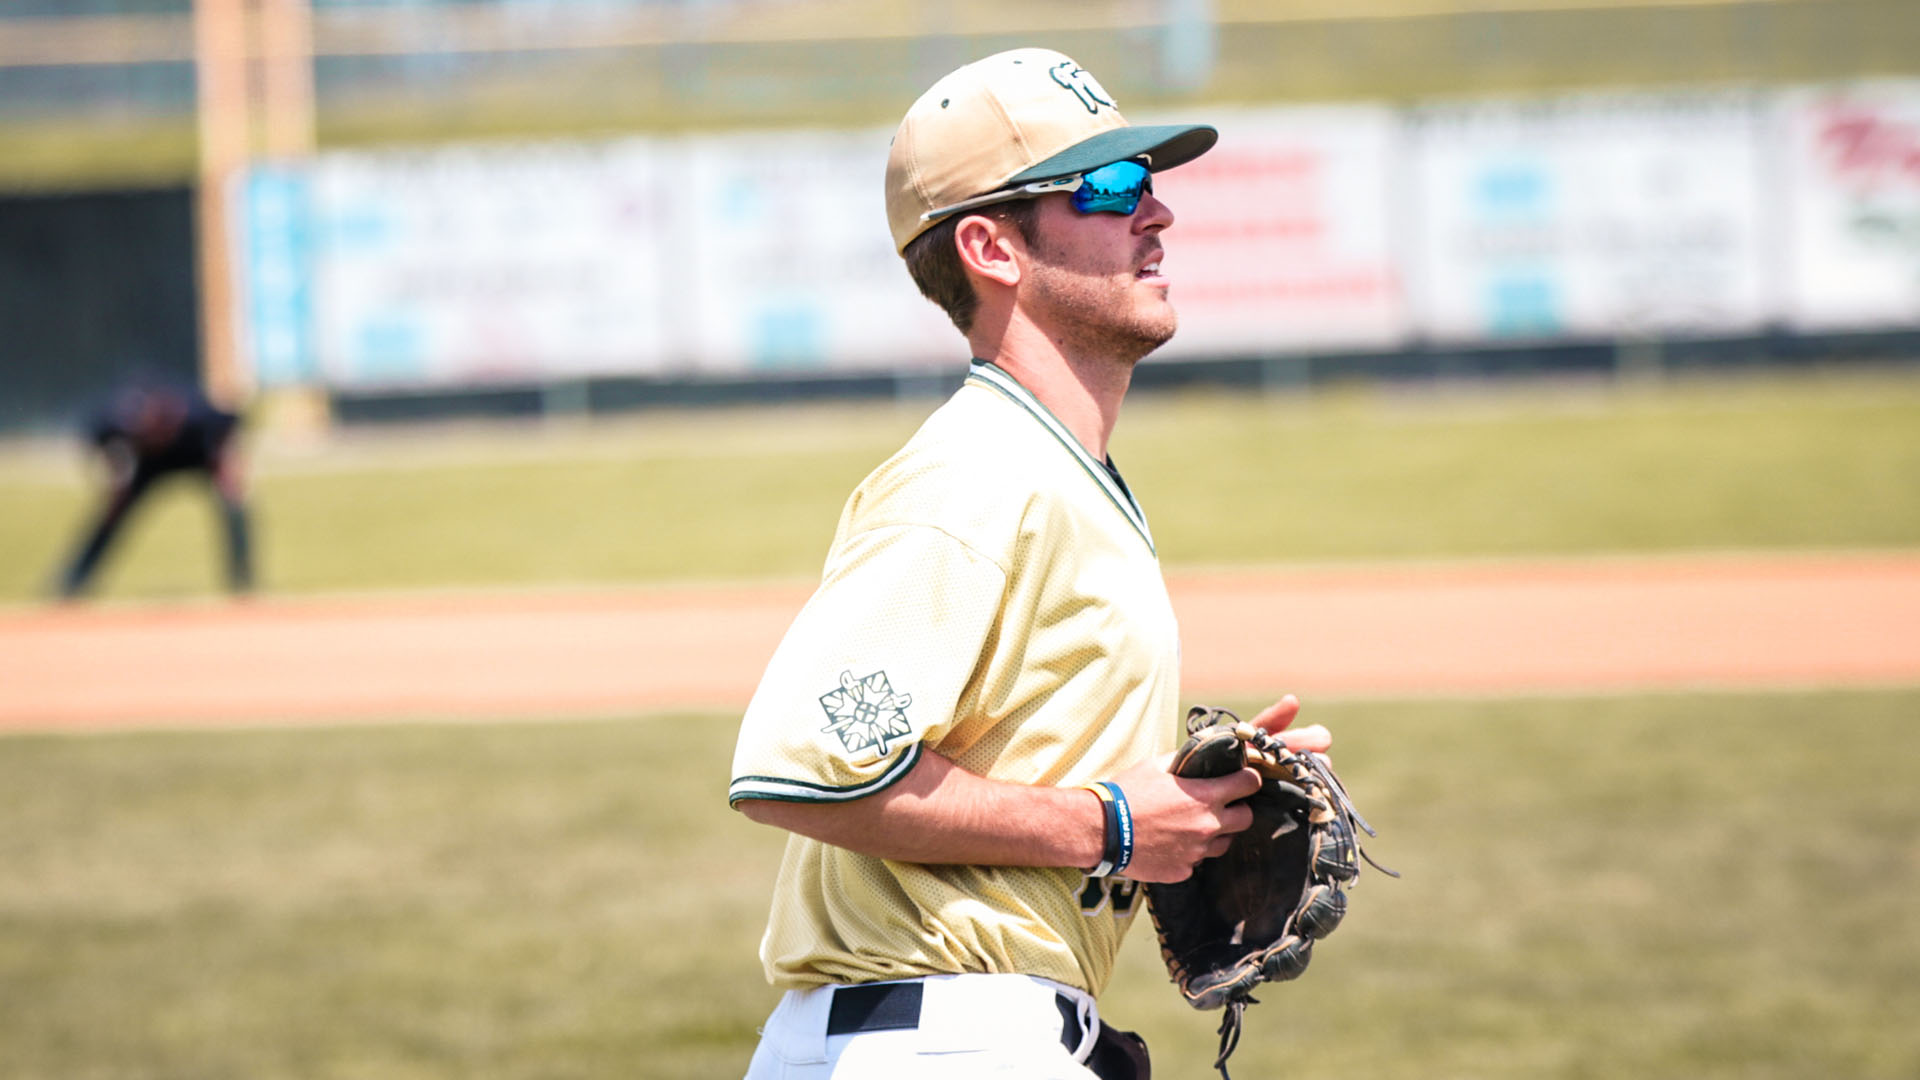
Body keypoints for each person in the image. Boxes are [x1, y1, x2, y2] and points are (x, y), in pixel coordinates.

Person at [728, 48, 1332, 1079]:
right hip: (937, 1045)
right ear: (990, 248)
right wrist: (1111, 824)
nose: (1156, 214)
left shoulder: (1050, 473)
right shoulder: (975, 476)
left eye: (1149, 182)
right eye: (1107, 187)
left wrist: (1189, 816)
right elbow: (804, 771)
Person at [52, 378, 254, 598]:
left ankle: (242, 581)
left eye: (161, 429)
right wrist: (115, 474)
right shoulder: (119, 419)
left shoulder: (199, 416)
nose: (156, 434)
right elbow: (96, 436)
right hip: (150, 463)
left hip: (197, 455)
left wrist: (227, 467)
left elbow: (230, 427)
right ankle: (75, 580)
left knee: (234, 503)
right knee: (113, 512)